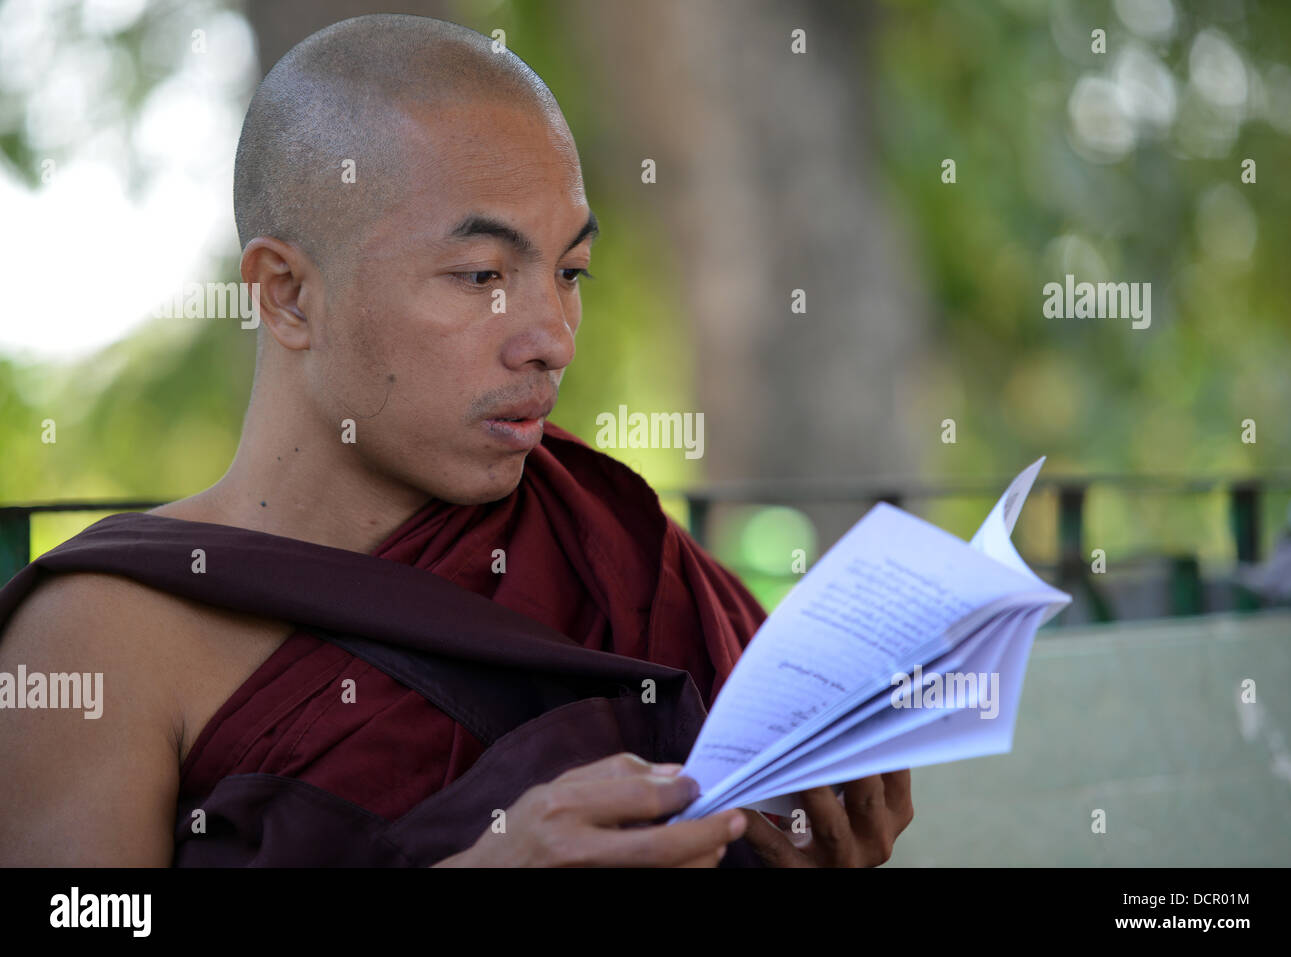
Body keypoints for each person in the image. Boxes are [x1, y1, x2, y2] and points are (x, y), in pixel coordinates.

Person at [0, 14, 912, 867]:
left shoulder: (614, 556)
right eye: (481, 274)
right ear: (286, 293)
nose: (550, 336)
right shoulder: (103, 639)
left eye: (570, 272)